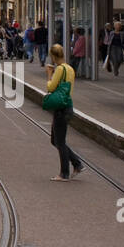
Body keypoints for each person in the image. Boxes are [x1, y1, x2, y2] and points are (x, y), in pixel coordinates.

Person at [45, 43, 84, 181]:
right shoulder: (70, 69)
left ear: (54, 56)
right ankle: (77, 163)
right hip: (67, 106)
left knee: (59, 141)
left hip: (61, 109)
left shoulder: (60, 70)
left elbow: (50, 87)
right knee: (55, 140)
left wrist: (49, 74)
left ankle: (64, 173)